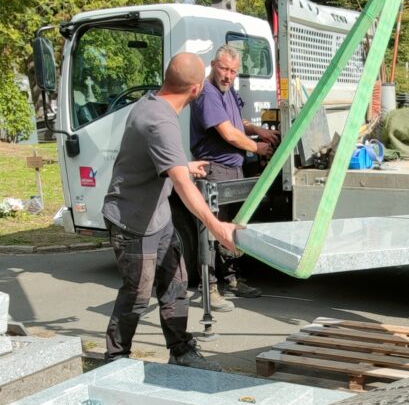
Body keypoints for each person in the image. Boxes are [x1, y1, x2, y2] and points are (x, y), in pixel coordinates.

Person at [102, 52, 239, 371]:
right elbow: (181, 185)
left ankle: (180, 350)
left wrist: (182, 164)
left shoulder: (153, 103)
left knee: (176, 283)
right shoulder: (160, 121)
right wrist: (218, 228)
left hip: (158, 217)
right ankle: (115, 359)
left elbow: (157, 159)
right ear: (195, 90)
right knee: (137, 295)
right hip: (133, 223)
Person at [190, 44, 281, 308]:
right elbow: (228, 133)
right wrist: (257, 147)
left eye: (233, 71)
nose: (228, 75)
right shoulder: (207, 93)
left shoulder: (227, 91)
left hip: (233, 169)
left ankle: (231, 279)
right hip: (215, 170)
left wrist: (257, 129)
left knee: (231, 228)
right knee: (212, 229)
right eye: (223, 69)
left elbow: (237, 123)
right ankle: (211, 289)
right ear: (212, 65)